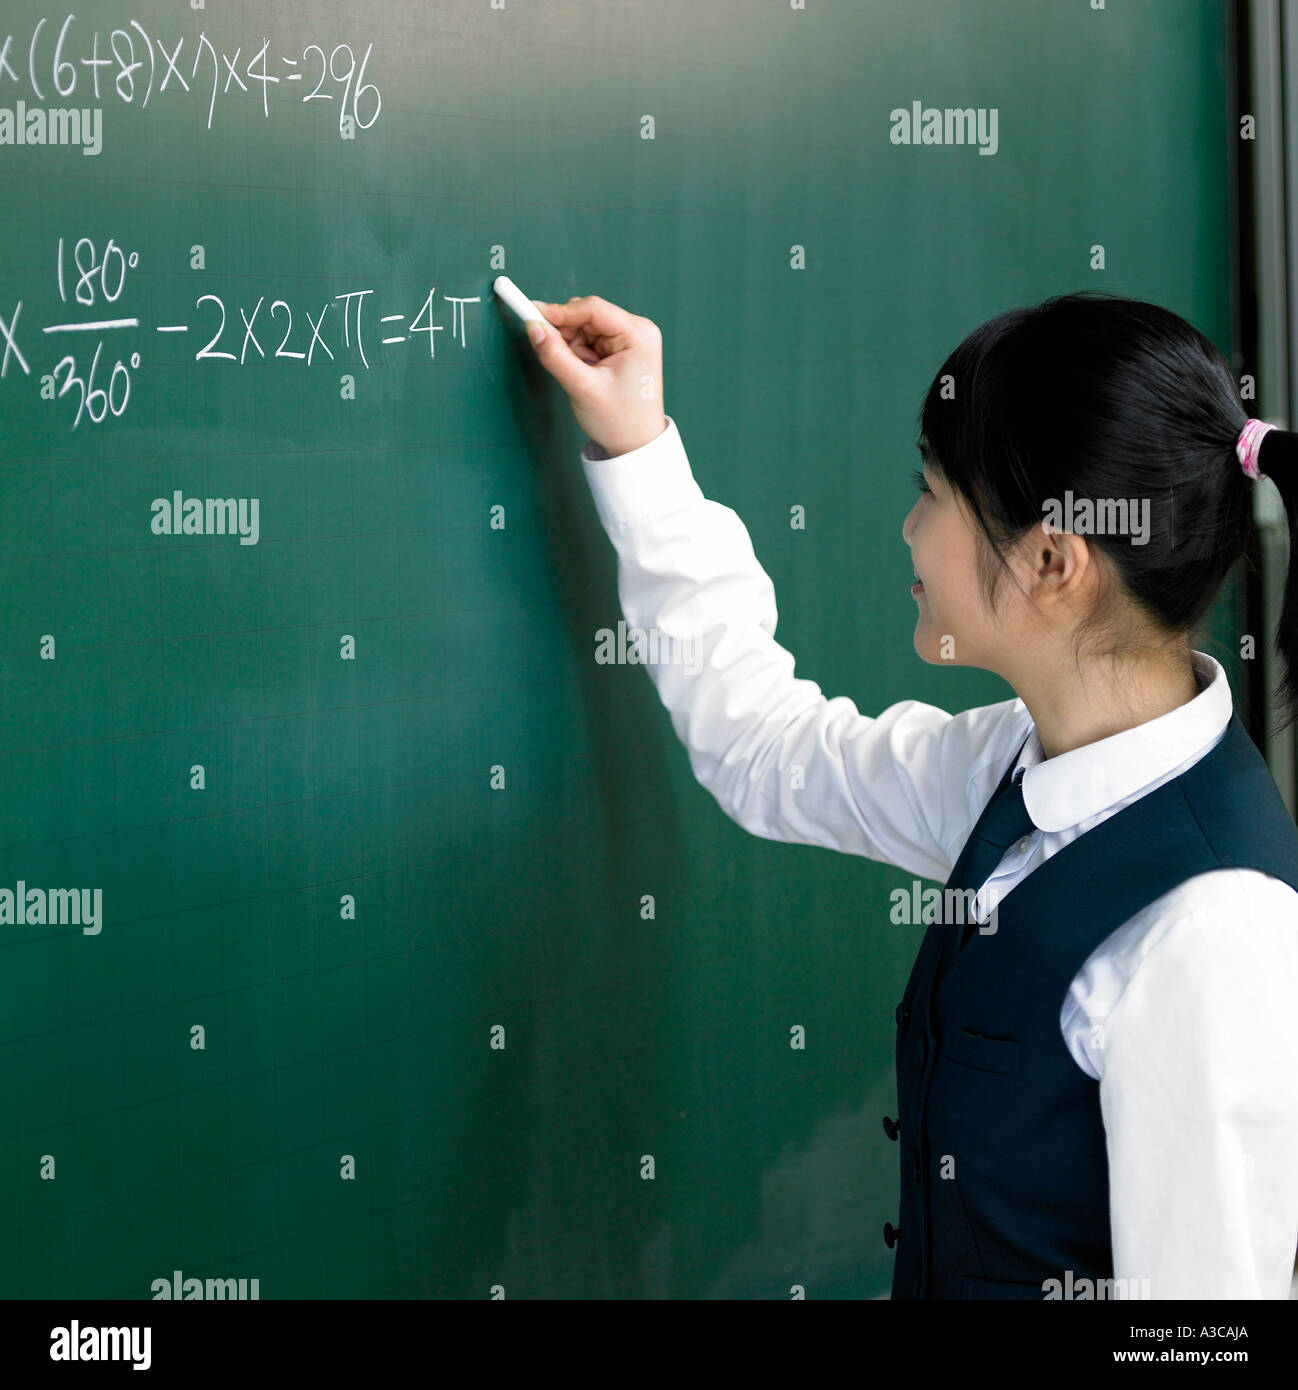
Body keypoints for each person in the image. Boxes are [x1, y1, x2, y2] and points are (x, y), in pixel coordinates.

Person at [523, 290, 1298, 1300]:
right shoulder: (1020, 766)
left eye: (930, 492)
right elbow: (768, 749)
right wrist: (638, 448)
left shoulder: (1210, 930)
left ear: (1052, 560)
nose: (906, 527)